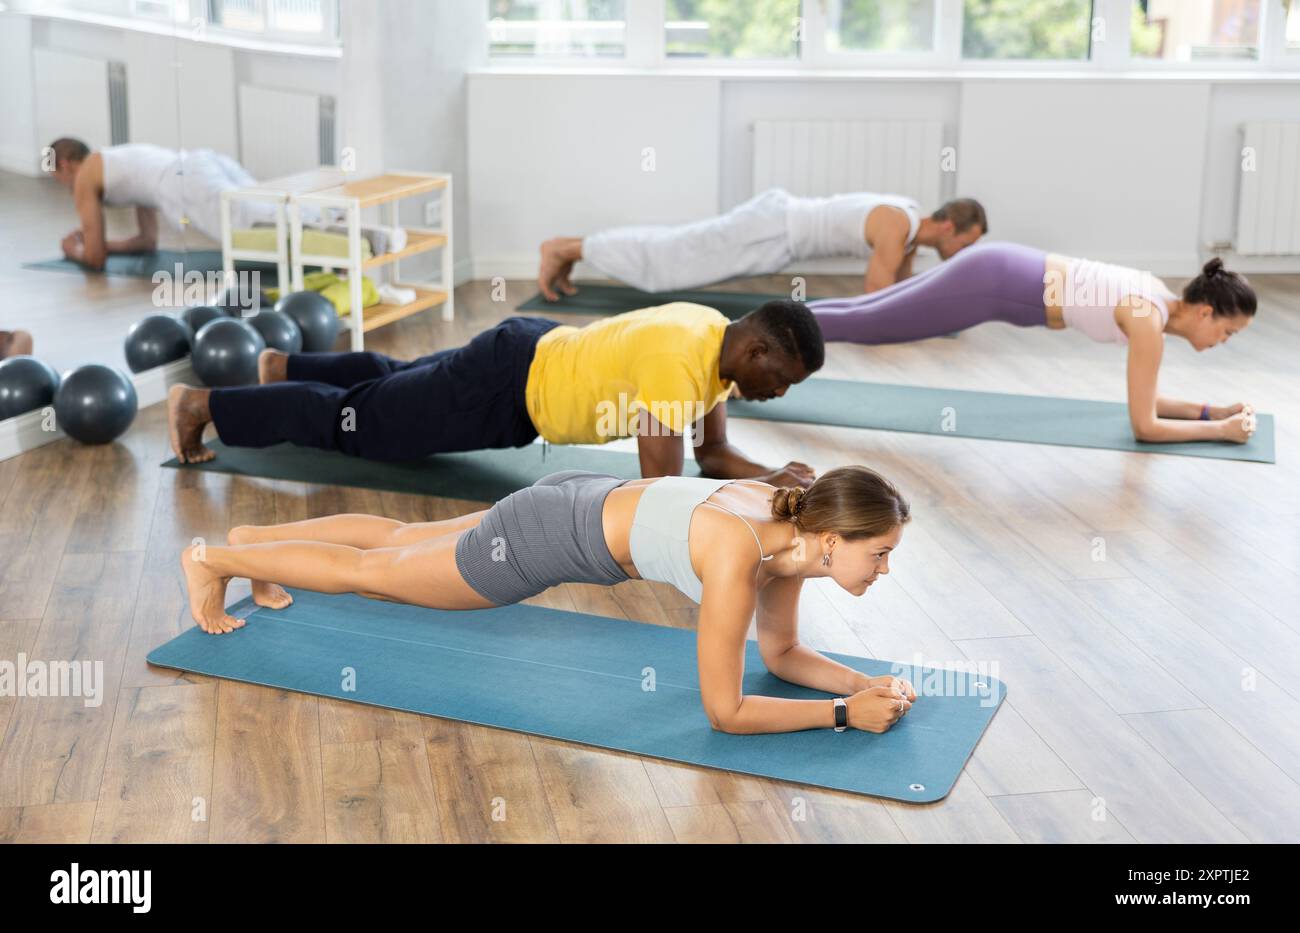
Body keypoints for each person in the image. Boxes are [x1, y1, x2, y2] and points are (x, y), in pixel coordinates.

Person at [179, 465, 917, 735]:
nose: (882, 569)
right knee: (378, 574)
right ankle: (214, 558)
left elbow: (781, 654)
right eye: (878, 552)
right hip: (546, 538)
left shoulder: (789, 524)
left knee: (397, 537)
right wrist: (846, 716)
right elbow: (724, 713)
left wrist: (861, 682)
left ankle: (252, 545)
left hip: (573, 493)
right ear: (832, 538)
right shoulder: (740, 556)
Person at [168, 300, 824, 486]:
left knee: (400, 381)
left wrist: (771, 475)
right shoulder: (679, 360)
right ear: (758, 351)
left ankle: (284, 365)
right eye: (781, 381)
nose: (777, 393)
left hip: (529, 350)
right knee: (361, 425)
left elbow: (711, 455)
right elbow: (660, 490)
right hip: (504, 387)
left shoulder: (713, 336)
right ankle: (204, 406)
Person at [810, 244, 1260, 445]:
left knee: (864, 312)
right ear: (1205, 312)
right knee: (869, 324)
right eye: (1227, 332)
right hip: (991, 283)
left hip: (997, 270)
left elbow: (1147, 400)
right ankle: (751, 335)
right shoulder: (1148, 319)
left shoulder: (1156, 299)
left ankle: (760, 328)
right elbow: (1145, 425)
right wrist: (1219, 432)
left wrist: (1211, 411)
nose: (1223, 342)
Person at [537, 192, 988, 300]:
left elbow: (899, 286)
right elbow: (877, 294)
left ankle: (573, 250)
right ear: (948, 226)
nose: (964, 252)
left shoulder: (906, 221)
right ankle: (565, 248)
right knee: (665, 264)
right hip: (771, 230)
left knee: (673, 250)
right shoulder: (896, 226)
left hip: (775, 229)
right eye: (966, 242)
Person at [46, 137, 273, 270]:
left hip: (185, 181)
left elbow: (95, 260)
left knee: (250, 231)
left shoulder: (85, 176)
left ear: (65, 165)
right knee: (270, 210)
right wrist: (105, 245)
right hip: (201, 164)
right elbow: (148, 242)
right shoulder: (117, 162)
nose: (67, 189)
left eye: (59, 179)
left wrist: (73, 249)